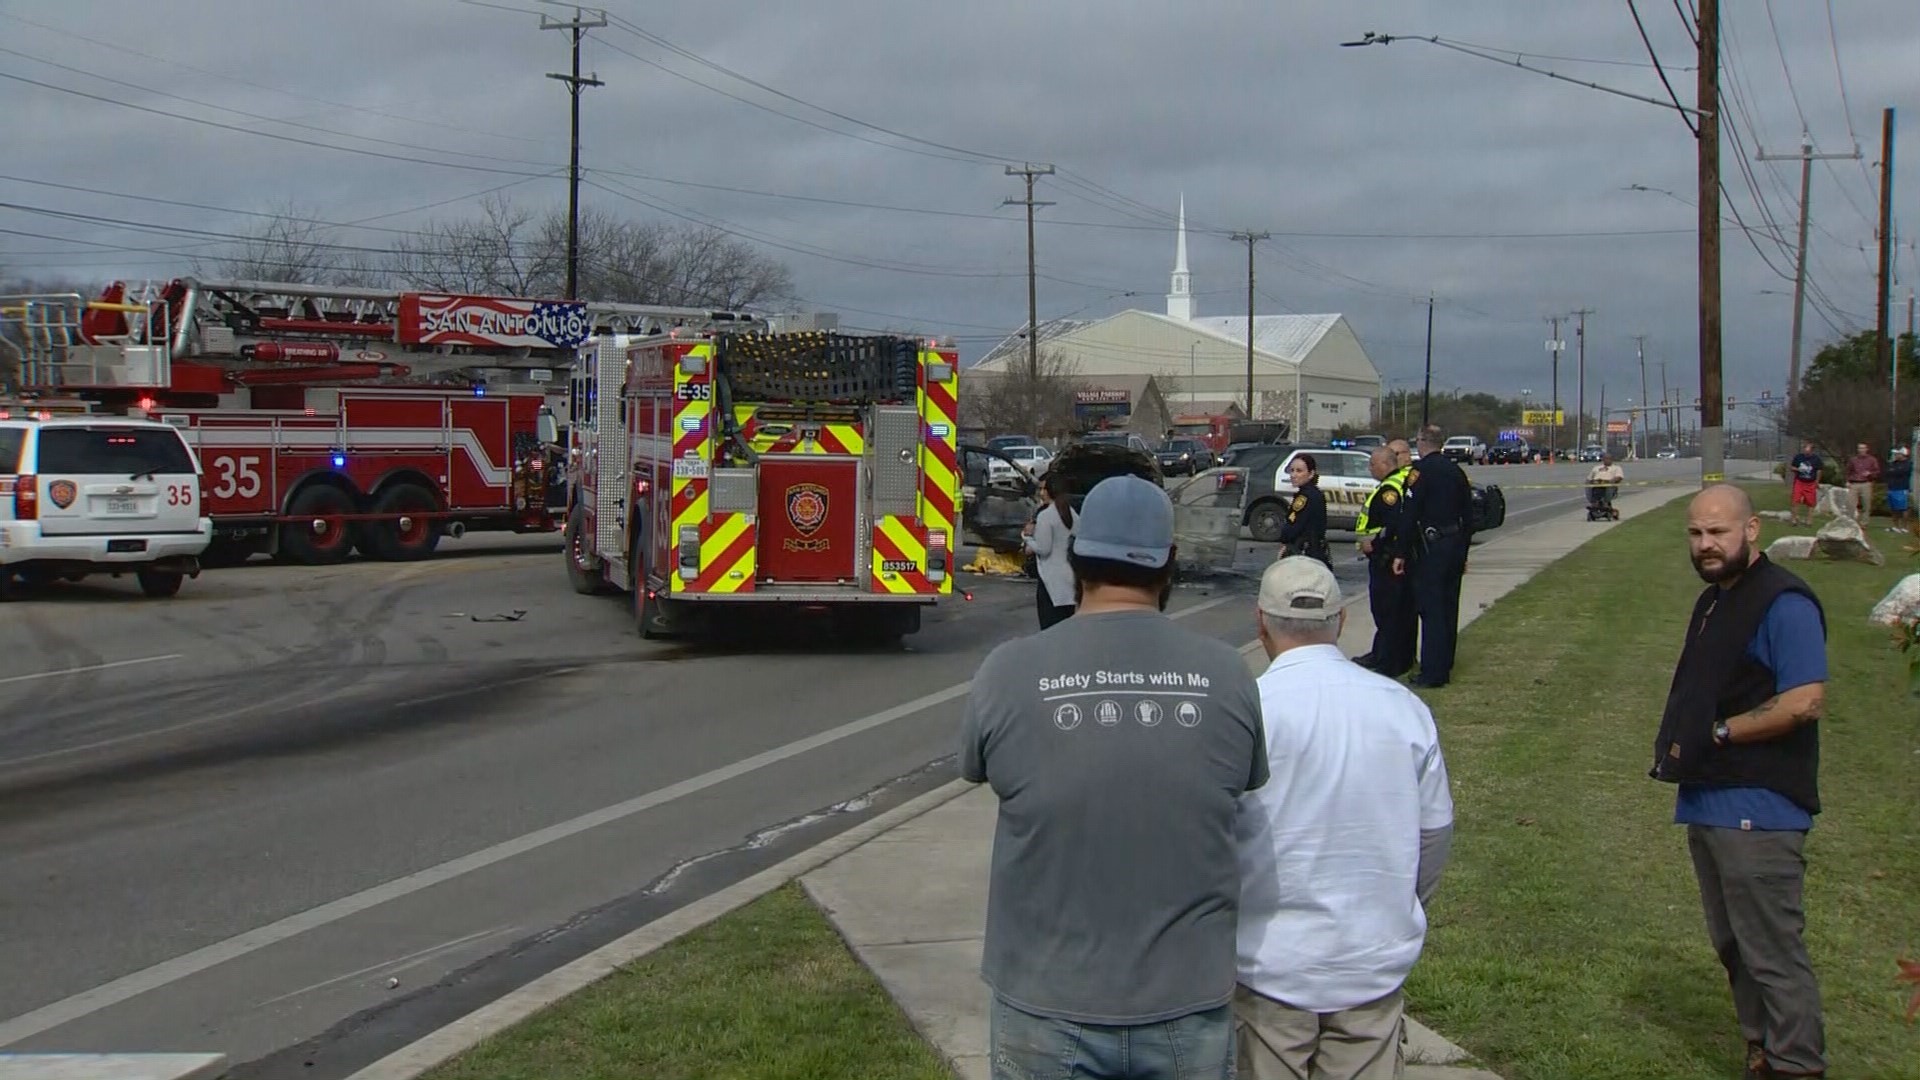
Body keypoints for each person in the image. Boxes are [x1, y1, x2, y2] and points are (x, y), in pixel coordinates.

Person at [960, 474, 1270, 1080]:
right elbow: (1241, 786)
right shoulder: (1227, 674)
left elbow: (980, 769)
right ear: (1169, 564)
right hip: (1186, 1003)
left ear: (1074, 558)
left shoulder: (1009, 672)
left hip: (1046, 999)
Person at [1234, 557, 1454, 1080]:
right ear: (1341, 621)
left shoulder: (1246, 710)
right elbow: (1433, 838)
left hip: (1270, 968)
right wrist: (1396, 908)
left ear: (1259, 620)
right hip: (1369, 965)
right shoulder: (1402, 707)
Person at [1651, 485, 1828, 1080]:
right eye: (1696, 534)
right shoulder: (1716, 599)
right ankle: (1762, 1049)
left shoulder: (1784, 603)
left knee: (1771, 951)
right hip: (1709, 801)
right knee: (1734, 945)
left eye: (1719, 532)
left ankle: (1797, 1064)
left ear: (1751, 530)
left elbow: (1804, 700)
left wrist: (1721, 734)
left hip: (1759, 809)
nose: (1706, 545)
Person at [1392, 426, 1473, 689]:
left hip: (1431, 547)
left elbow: (1410, 513)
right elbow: (1469, 516)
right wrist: (1464, 552)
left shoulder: (1420, 472)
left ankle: (1433, 671)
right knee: (1450, 606)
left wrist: (1401, 552)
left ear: (1421, 443)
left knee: (1432, 608)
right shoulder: (1456, 471)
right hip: (1454, 544)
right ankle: (1445, 660)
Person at [1353, 446, 1415, 677]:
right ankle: (1383, 655)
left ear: (1386, 465)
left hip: (1385, 558)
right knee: (1392, 613)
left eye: (1373, 464)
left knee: (1387, 612)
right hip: (1387, 557)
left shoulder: (1390, 490)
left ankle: (1389, 661)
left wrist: (1375, 543)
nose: (1370, 468)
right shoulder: (1394, 483)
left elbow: (1393, 524)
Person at [1022, 476, 1076, 629]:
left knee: (1049, 628)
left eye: (1043, 489)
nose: (1040, 493)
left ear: (1050, 491)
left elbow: (1043, 549)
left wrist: (1027, 538)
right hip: (1070, 580)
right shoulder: (1070, 513)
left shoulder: (1046, 516)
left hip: (1050, 583)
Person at [1277, 453, 1330, 567]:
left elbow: (1294, 525)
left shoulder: (1304, 497)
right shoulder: (1316, 493)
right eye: (1292, 470)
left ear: (1310, 474)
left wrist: (1284, 541)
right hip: (1317, 551)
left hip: (1304, 554)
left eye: (1299, 471)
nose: (1293, 475)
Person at [1786, 442, 1821, 527]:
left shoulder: (1816, 459)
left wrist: (1817, 481)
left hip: (1810, 483)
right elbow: (1792, 467)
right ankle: (1794, 520)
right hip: (1799, 482)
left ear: (1812, 451)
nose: (1806, 452)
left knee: (1811, 502)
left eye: (1808, 450)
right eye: (1805, 450)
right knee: (1795, 500)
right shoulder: (1799, 457)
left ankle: (1809, 521)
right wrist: (1798, 469)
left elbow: (1819, 471)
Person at [1844, 442, 1879, 521]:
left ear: (1866, 449)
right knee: (1850, 504)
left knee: (1866, 504)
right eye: (1860, 448)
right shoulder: (1853, 460)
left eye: (1863, 448)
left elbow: (1877, 472)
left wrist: (1870, 473)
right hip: (1854, 483)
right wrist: (1848, 481)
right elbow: (1848, 471)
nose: (1861, 450)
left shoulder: (1872, 460)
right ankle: (1851, 521)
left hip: (1866, 483)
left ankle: (1864, 523)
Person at [1883, 446, 1911, 532]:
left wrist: (1893, 471)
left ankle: (1904, 527)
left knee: (1903, 508)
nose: (1895, 455)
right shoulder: (1893, 463)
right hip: (1891, 488)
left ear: (1903, 454)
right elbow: (1887, 472)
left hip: (1901, 488)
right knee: (1893, 509)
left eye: (1897, 454)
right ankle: (1896, 526)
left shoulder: (1907, 464)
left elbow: (1899, 472)